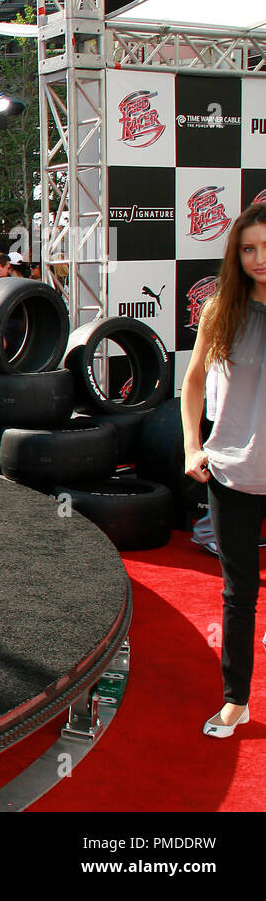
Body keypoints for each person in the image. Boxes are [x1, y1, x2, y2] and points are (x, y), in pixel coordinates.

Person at [182, 203, 266, 738]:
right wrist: (192, 447)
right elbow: (191, 384)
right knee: (239, 596)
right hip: (232, 474)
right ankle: (236, 701)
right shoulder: (220, 311)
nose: (260, 259)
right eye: (249, 248)